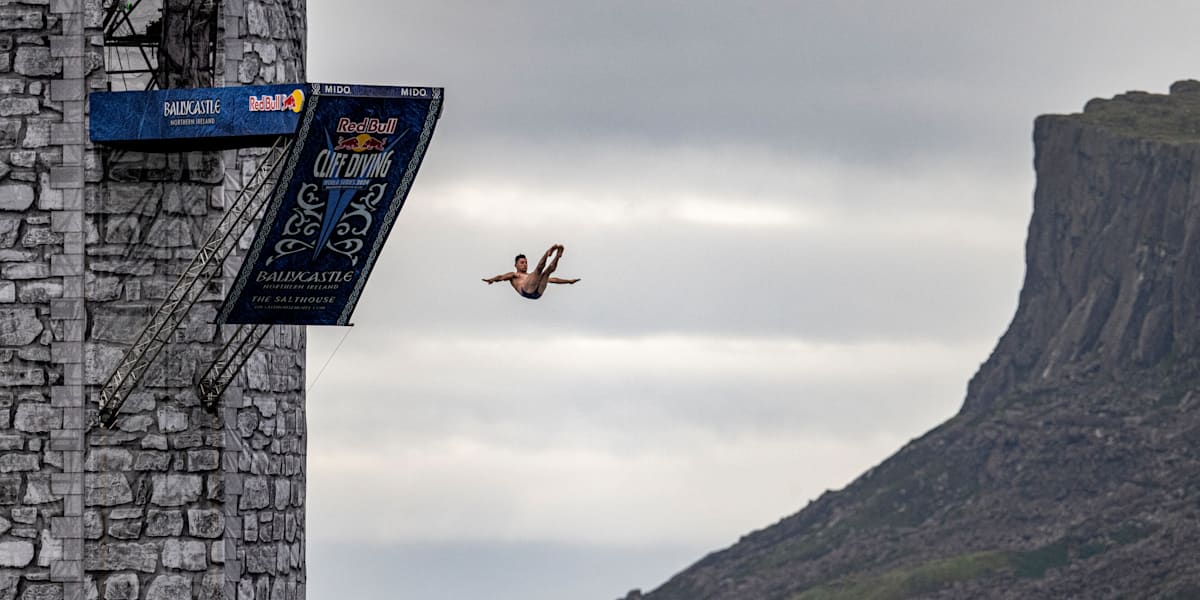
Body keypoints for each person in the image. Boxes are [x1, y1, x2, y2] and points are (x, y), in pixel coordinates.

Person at [483, 244, 580, 300]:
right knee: (538, 270)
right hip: (526, 291)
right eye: (522, 263)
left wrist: (569, 281)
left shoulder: (530, 276)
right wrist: (492, 280)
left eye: (526, 262)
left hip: (537, 294)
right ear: (515, 265)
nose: (524, 264)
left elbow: (553, 280)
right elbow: (501, 277)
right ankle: (547, 253)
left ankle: (558, 256)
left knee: (547, 273)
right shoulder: (514, 275)